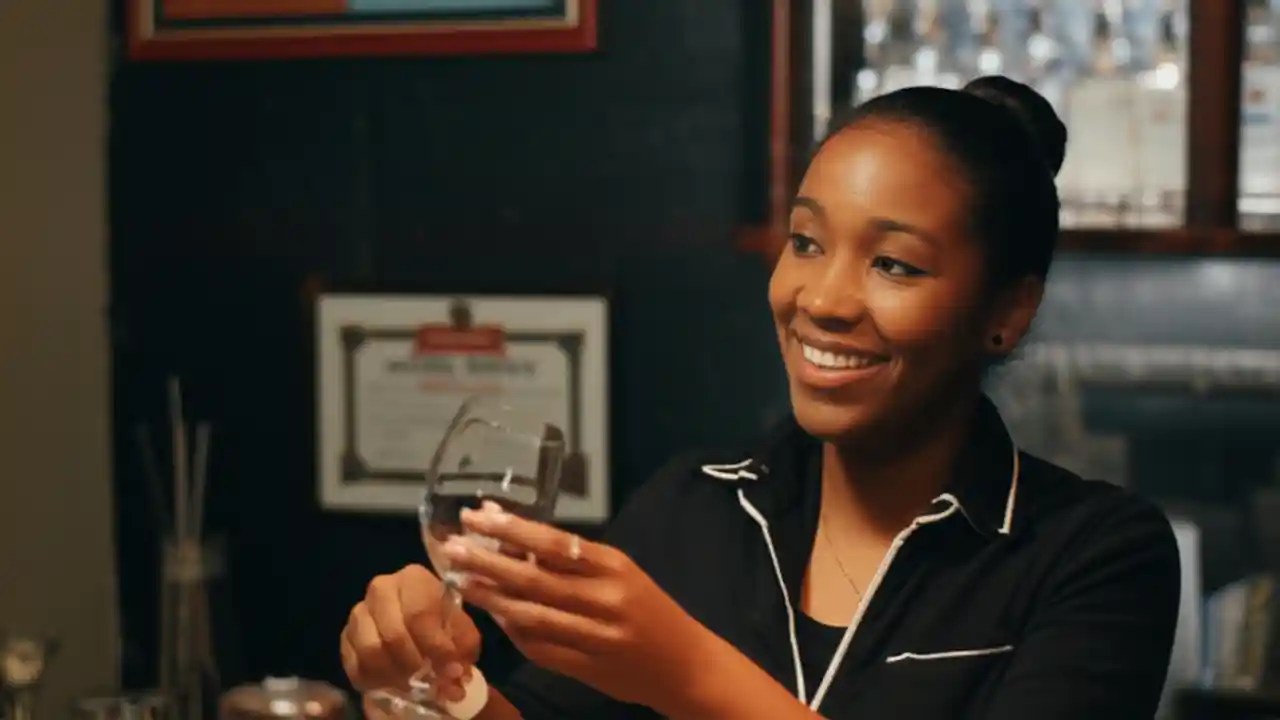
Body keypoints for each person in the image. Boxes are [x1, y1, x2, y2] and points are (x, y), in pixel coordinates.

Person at [339, 76, 1181, 719]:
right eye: (806, 242)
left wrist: (686, 674)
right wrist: (437, 688)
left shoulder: (1095, 557)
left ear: (1007, 312)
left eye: (894, 263)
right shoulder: (692, 506)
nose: (822, 298)